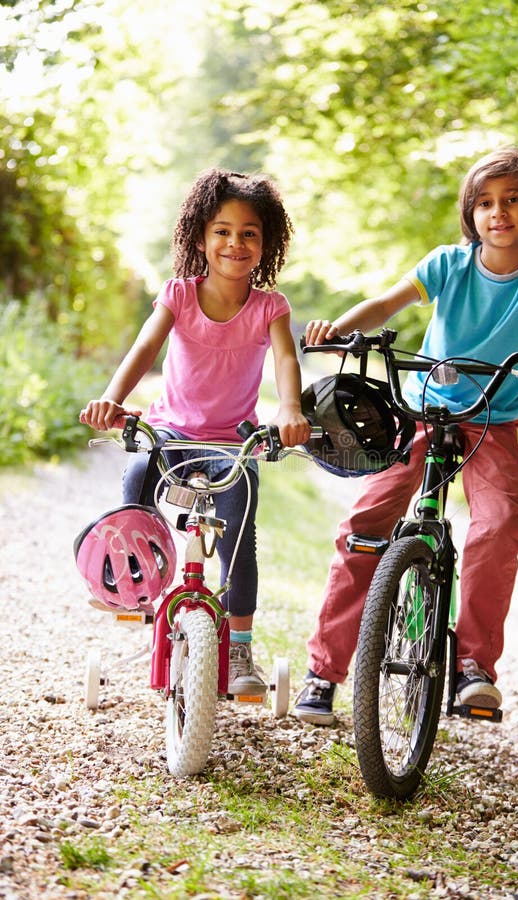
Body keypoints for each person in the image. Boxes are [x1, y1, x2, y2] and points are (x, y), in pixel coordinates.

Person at [295, 146, 518, 724]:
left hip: (491, 421)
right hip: (423, 411)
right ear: (470, 213)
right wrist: (338, 330)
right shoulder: (448, 265)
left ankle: (473, 666)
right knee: (365, 526)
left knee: (498, 525)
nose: (498, 212)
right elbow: (386, 302)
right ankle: (323, 671)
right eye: (484, 202)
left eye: (512, 200)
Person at [80, 168, 311, 695]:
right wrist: (113, 401)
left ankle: (240, 650)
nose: (235, 242)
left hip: (233, 444)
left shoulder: (270, 306)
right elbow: (144, 349)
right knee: (136, 482)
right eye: (222, 231)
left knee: (240, 536)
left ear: (266, 243)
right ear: (201, 239)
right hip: (171, 436)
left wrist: (291, 409)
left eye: (249, 233)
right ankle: (132, 586)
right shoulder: (179, 295)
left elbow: (283, 358)